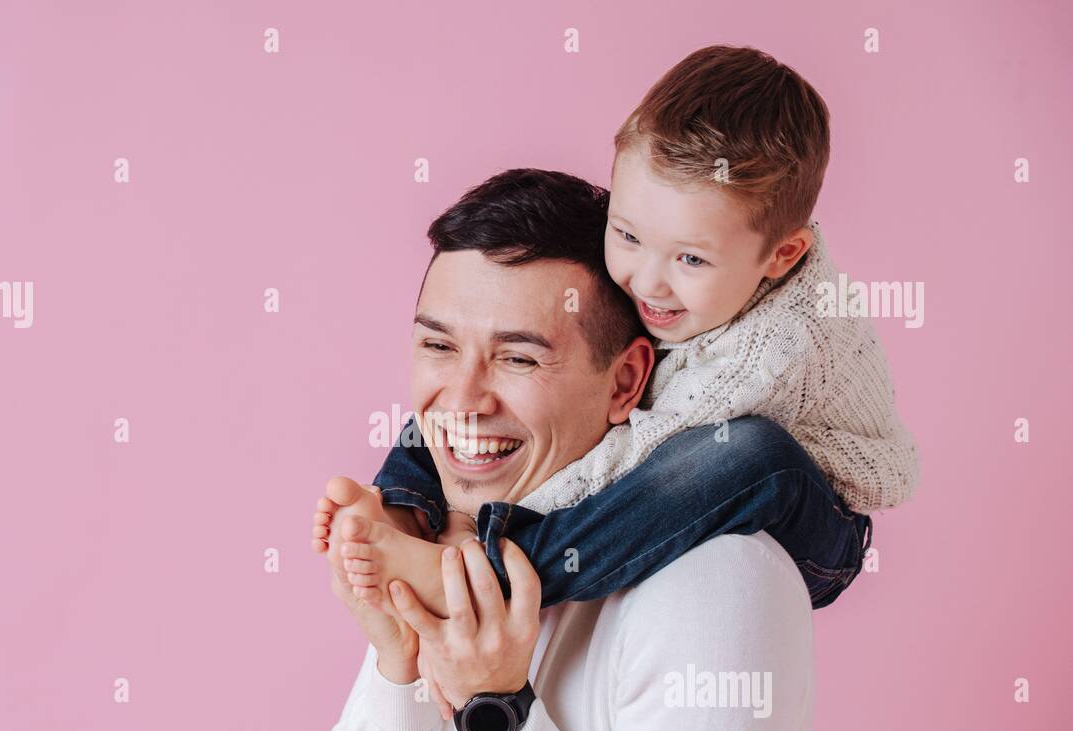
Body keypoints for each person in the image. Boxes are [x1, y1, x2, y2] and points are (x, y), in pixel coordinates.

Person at [312, 46, 917, 622]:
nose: (645, 282)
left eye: (690, 261)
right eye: (627, 235)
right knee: (462, 398)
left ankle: (487, 578)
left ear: (781, 255)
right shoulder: (679, 283)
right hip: (681, 433)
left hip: (812, 516)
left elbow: (633, 464)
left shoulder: (775, 351)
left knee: (749, 453)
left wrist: (475, 528)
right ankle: (402, 508)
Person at [318, 166, 817, 731]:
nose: (461, 399)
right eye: (437, 346)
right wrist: (396, 649)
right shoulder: (466, 544)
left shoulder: (716, 582)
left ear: (625, 381)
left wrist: (500, 714)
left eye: (518, 358)